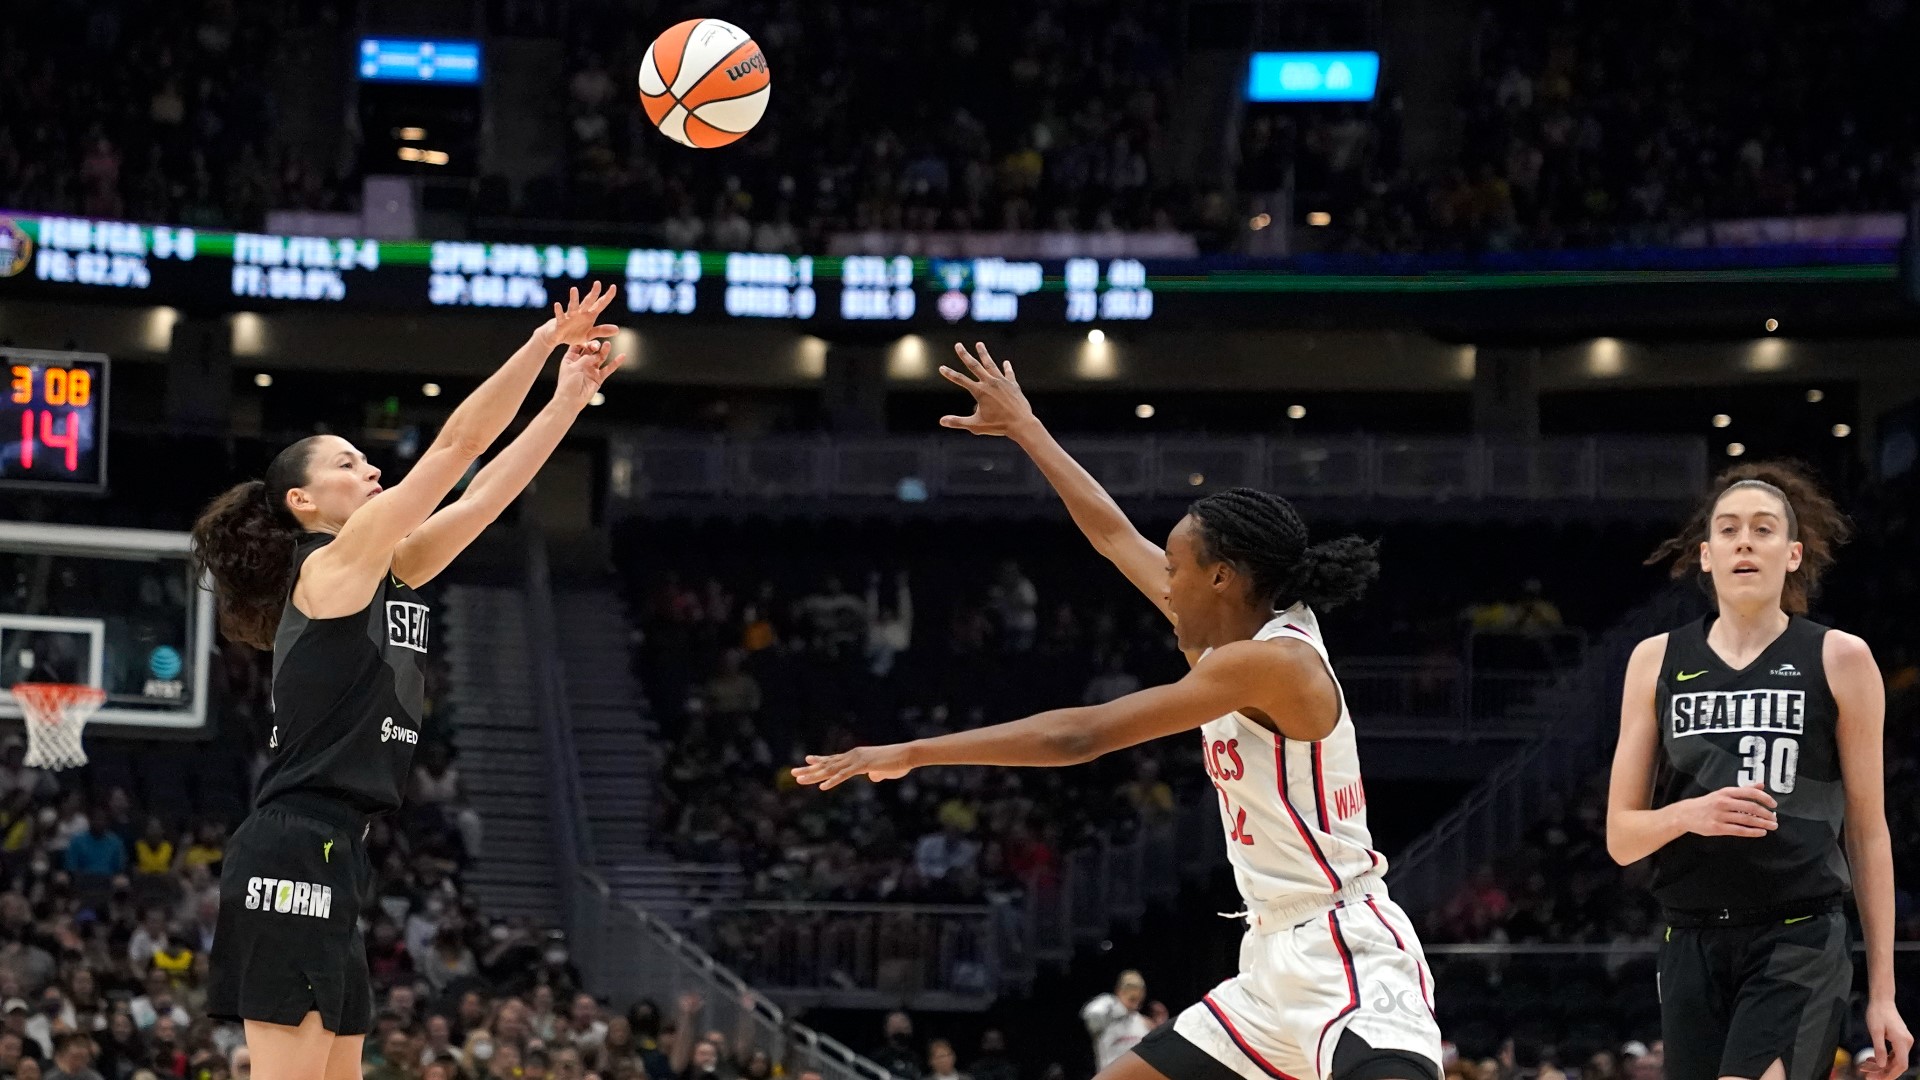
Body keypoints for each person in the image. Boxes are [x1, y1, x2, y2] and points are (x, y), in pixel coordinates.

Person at [796, 343, 1443, 1080]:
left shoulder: (1272, 662)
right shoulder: (1231, 637)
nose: (1164, 580)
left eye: (1175, 568)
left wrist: (913, 752)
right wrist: (1026, 427)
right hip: (1269, 961)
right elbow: (1110, 534)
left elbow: (1079, 735)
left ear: (1223, 579)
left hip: (1346, 950)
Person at [189, 284, 624, 1080]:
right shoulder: (327, 567)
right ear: (302, 500)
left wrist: (567, 398)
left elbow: (485, 496)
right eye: (348, 463)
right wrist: (541, 344)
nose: (372, 467)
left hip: (336, 848)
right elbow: (458, 447)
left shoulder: (390, 567)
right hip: (293, 845)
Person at [1606, 463, 1913, 1080]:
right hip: (1688, 939)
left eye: (1763, 529)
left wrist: (1884, 994)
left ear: (1793, 554)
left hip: (1799, 937)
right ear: (1707, 555)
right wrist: (1690, 814)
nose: (1744, 541)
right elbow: (1621, 836)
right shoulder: (1654, 660)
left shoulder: (1841, 657)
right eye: (1728, 529)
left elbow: (1868, 832)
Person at [1082, 971, 1153, 1072]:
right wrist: (1114, 1003)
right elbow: (1091, 1014)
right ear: (1119, 991)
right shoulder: (1105, 1016)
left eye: (1138, 1000)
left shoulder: (1143, 1023)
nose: (1135, 1005)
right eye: (1131, 998)